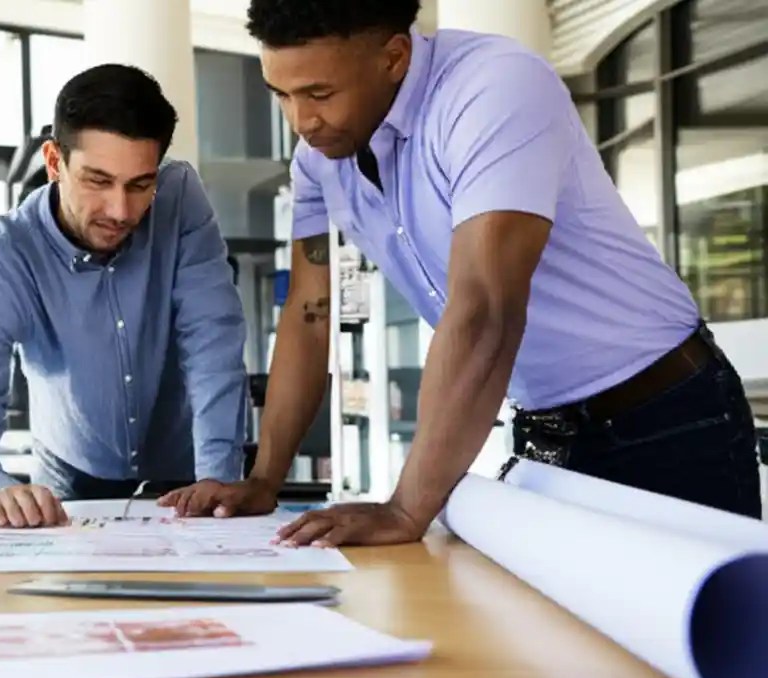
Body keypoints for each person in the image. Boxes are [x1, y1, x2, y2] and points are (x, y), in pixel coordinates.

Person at [159, 0, 763, 543]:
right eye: (281, 95)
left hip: (667, 415)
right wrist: (265, 479)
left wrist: (406, 508)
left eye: (319, 93)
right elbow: (309, 314)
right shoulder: (319, 162)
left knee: (703, 631)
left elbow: (486, 309)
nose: (301, 120)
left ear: (394, 57)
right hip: (545, 431)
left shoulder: (493, 88)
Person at [0, 64, 248, 529]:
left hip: (187, 477)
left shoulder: (179, 197)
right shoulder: (4, 257)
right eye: (98, 180)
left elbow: (213, 342)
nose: (120, 211)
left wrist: (219, 478)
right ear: (54, 161)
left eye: (140, 185)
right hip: (68, 486)